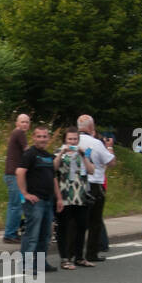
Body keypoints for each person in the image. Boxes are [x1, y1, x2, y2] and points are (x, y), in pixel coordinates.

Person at [16, 125, 59, 274]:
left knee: (45, 235)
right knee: (32, 234)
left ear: (48, 138)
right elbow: (19, 172)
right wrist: (25, 193)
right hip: (35, 202)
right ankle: (26, 265)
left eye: (44, 136)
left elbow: (53, 177)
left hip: (48, 200)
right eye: (39, 136)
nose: (42, 139)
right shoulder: (30, 154)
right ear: (34, 137)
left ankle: (40, 263)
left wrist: (58, 198)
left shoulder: (48, 156)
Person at [53, 127, 95, 269]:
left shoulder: (82, 153)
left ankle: (79, 257)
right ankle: (65, 258)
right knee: (63, 227)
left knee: (81, 226)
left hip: (80, 196)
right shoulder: (59, 152)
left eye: (75, 139)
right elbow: (53, 168)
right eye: (70, 139)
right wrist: (62, 153)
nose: (72, 141)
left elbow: (91, 170)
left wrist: (83, 156)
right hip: (65, 195)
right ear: (65, 140)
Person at [77, 115, 114, 265]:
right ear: (92, 128)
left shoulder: (72, 140)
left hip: (77, 183)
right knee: (94, 221)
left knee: (77, 220)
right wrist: (110, 147)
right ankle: (91, 253)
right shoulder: (97, 143)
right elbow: (111, 162)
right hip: (94, 184)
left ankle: (73, 253)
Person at [3, 113, 30, 243]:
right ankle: (10, 234)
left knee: (15, 205)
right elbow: (28, 151)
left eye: (27, 122)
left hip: (11, 175)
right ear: (17, 123)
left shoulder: (16, 133)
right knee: (16, 205)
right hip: (13, 175)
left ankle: (11, 232)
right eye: (22, 122)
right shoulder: (19, 133)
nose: (24, 124)